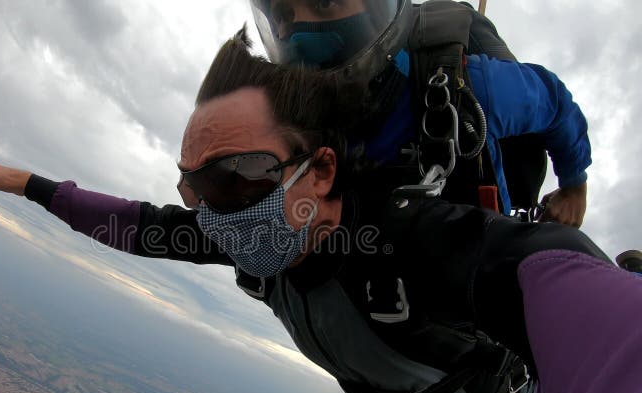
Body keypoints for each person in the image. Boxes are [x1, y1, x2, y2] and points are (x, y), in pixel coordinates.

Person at [0, 25, 614, 393]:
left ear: (322, 170)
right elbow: (136, 226)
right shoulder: (246, 233)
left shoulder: (402, 239)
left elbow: (539, 275)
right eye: (198, 187)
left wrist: (607, 284)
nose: (214, 209)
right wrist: (30, 184)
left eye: (241, 176)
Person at [248, 0, 590, 226]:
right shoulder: (293, 128)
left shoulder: (469, 86)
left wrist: (574, 187)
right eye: (281, 14)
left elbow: (556, 102)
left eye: (324, 1)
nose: (292, 31)